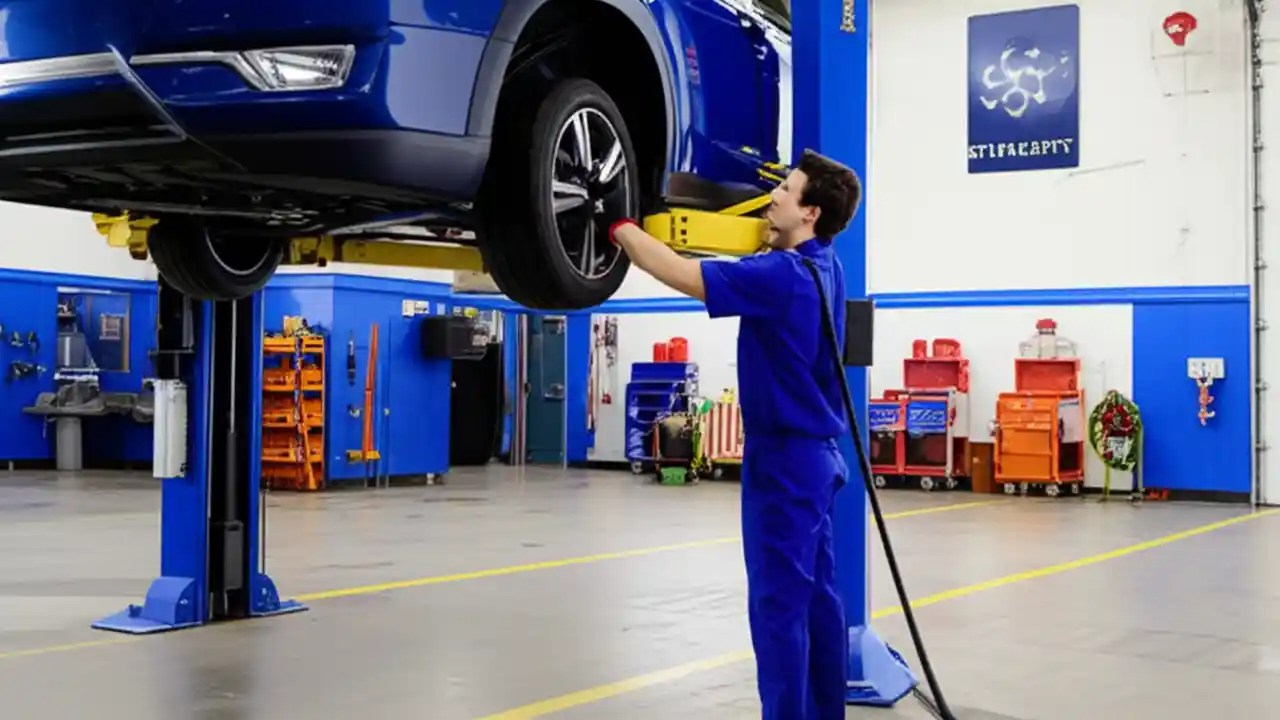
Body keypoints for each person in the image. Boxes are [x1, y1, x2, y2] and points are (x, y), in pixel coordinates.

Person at [608, 149, 863, 720]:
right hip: (820, 459)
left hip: (784, 465)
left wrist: (620, 226)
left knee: (778, 611)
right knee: (818, 600)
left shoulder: (779, 276)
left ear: (811, 213)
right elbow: (763, 243)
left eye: (786, 191)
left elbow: (680, 272)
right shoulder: (827, 266)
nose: (773, 196)